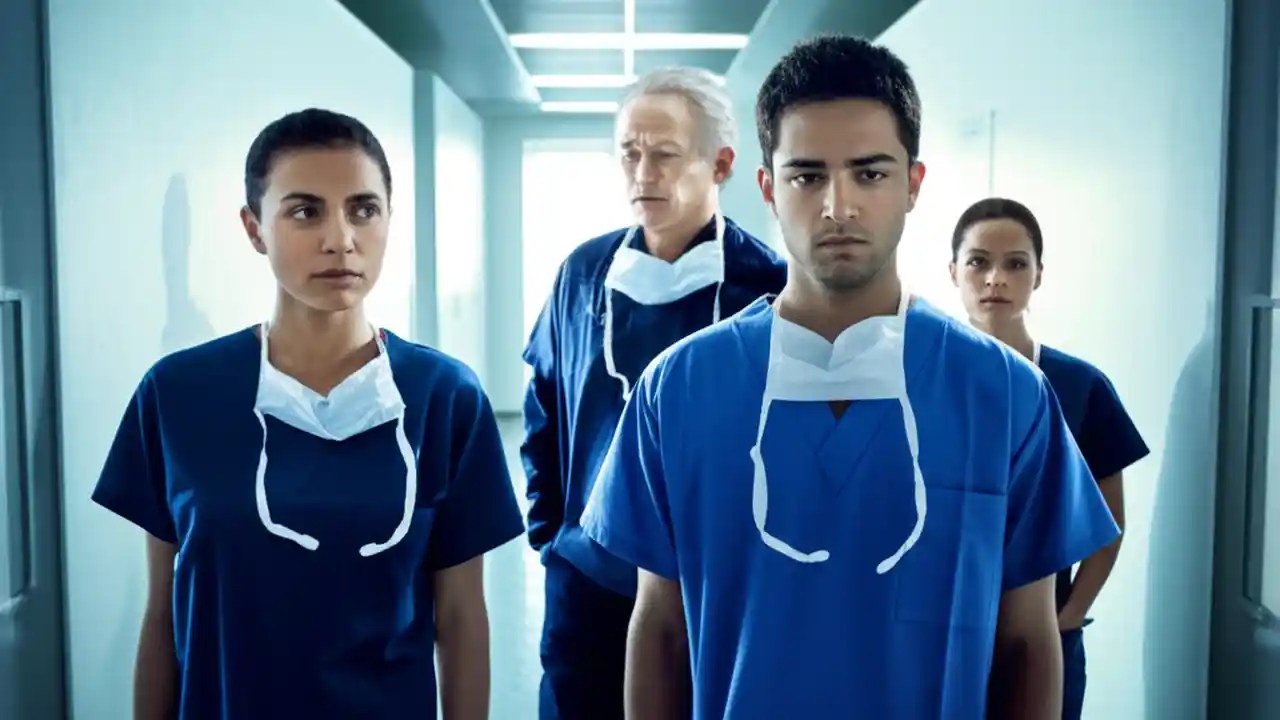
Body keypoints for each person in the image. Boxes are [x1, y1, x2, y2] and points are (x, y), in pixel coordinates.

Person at [580, 35, 1120, 719]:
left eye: (869, 173)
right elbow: (659, 627)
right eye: (808, 176)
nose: (839, 207)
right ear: (769, 189)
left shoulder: (1003, 394)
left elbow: (1026, 640)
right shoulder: (680, 390)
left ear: (912, 184)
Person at [92, 108, 524, 720]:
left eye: (363, 209)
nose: (340, 238)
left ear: (388, 222)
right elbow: (162, 612)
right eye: (305, 211)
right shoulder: (177, 394)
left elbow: (460, 618)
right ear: (254, 228)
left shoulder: (444, 397)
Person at [521, 66, 788, 719]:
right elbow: (544, 408)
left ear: (721, 162)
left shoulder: (768, 288)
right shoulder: (584, 274)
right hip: (591, 573)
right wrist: (552, 535)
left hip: (713, 583)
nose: (643, 173)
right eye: (629, 154)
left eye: (665, 155)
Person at [950, 196, 1149, 720]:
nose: (996, 278)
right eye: (978, 262)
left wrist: (1068, 617)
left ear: (1038, 276)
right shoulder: (923, 380)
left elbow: (1108, 527)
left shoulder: (1080, 387)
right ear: (953, 271)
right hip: (940, 632)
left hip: (1044, 635)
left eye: (1016, 263)